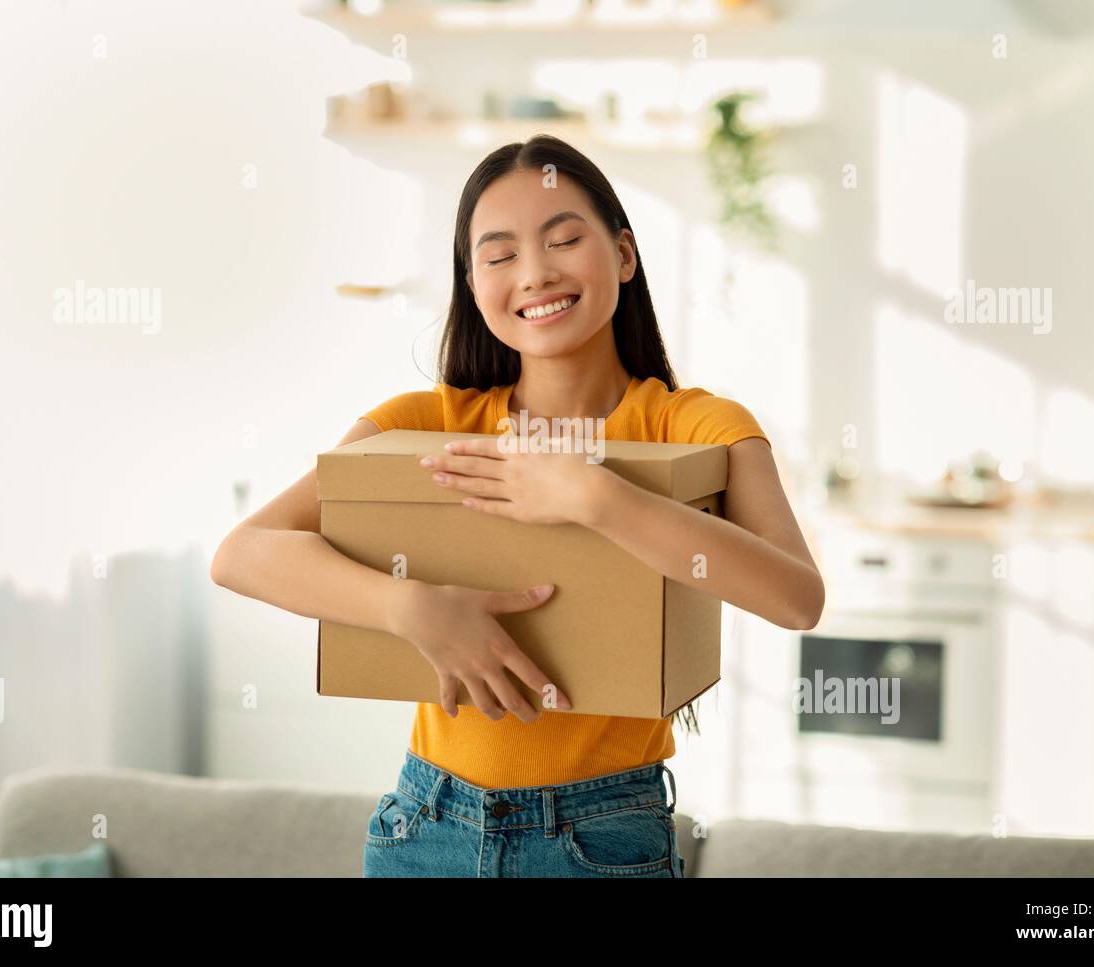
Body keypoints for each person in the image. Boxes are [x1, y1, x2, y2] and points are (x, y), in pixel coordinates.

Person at [210, 134, 824, 877]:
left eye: (564, 239)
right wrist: (414, 609)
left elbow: (796, 597)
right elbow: (243, 552)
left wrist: (596, 495)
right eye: (499, 256)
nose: (536, 273)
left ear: (624, 256)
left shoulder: (694, 423)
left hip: (600, 837)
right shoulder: (421, 422)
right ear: (473, 284)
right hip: (424, 826)